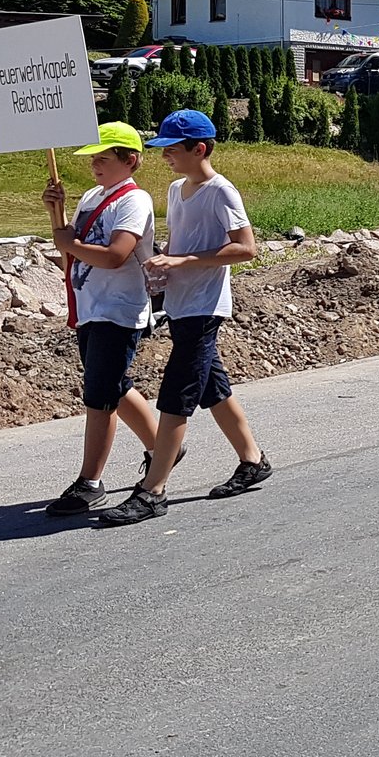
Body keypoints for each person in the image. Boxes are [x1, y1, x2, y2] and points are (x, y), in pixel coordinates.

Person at [103, 110, 271, 525]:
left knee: (176, 394)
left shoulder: (221, 191)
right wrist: (164, 265)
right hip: (180, 304)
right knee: (213, 387)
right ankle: (252, 460)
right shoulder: (177, 189)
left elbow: (246, 248)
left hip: (205, 307)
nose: (165, 157)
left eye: (172, 149)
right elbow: (182, 244)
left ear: (199, 149)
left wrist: (182, 261)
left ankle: (153, 491)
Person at [41, 122, 162, 517]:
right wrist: (56, 214)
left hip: (118, 309)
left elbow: (115, 255)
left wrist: (70, 242)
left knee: (99, 395)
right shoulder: (92, 197)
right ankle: (164, 448)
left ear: (130, 161)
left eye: (103, 158)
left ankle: (90, 482)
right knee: (114, 385)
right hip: (91, 306)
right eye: (93, 157)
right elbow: (69, 249)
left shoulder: (135, 200)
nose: (94, 164)